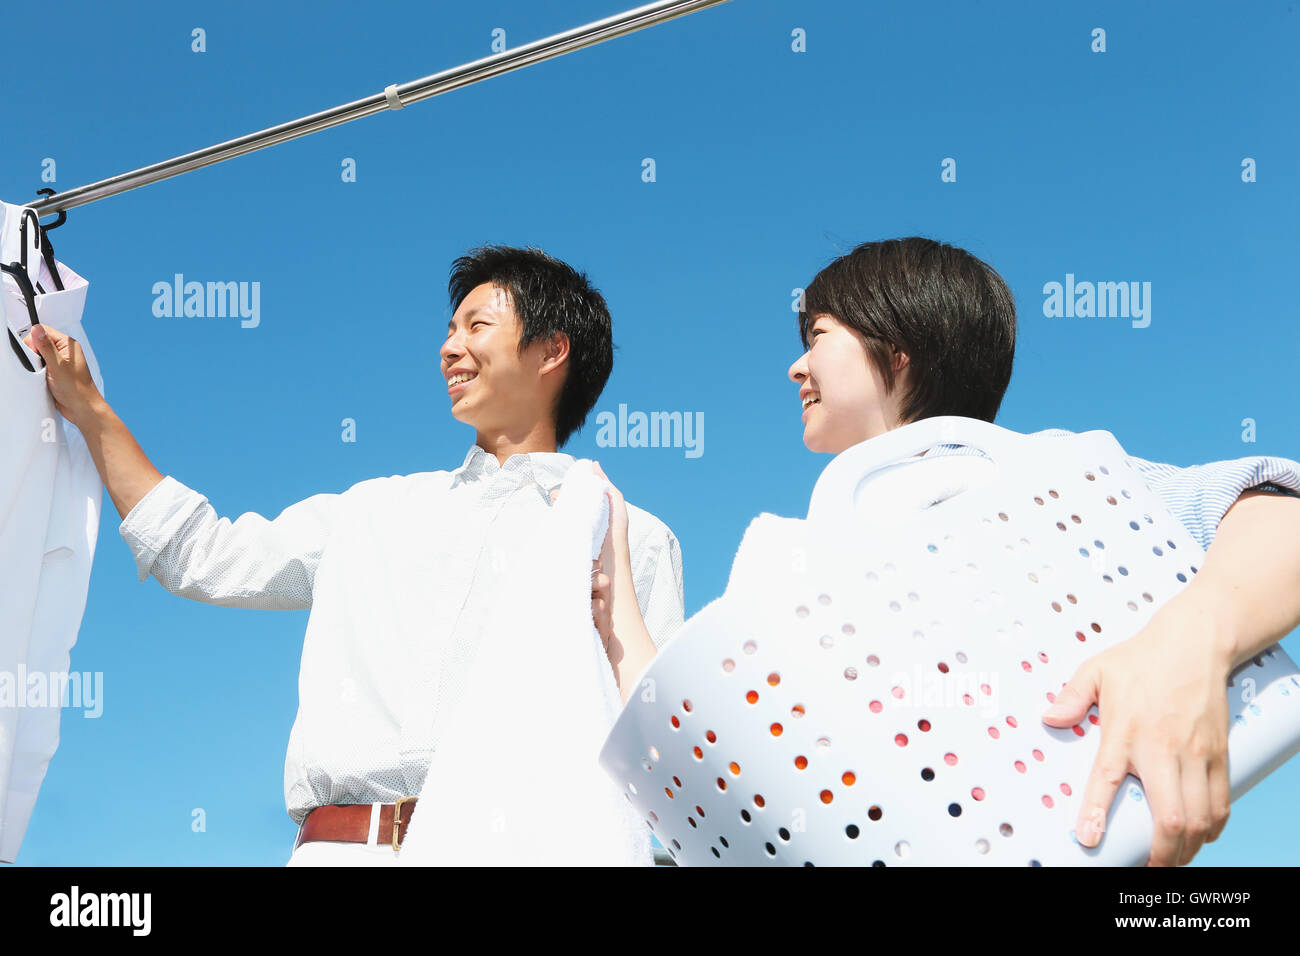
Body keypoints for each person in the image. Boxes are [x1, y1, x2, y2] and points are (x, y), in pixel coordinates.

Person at [595, 236, 1300, 867]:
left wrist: (1186, 642)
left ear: (897, 345)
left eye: (817, 335)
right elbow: (699, 744)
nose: (795, 368)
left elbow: (1279, 509)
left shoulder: (1055, 479)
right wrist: (616, 588)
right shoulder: (787, 552)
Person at [24, 245, 685, 866]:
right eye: (449, 329)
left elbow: (660, 754)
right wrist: (90, 412)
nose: (450, 348)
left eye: (477, 325)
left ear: (551, 351)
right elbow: (200, 553)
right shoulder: (370, 511)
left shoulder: (625, 537)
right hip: (340, 850)